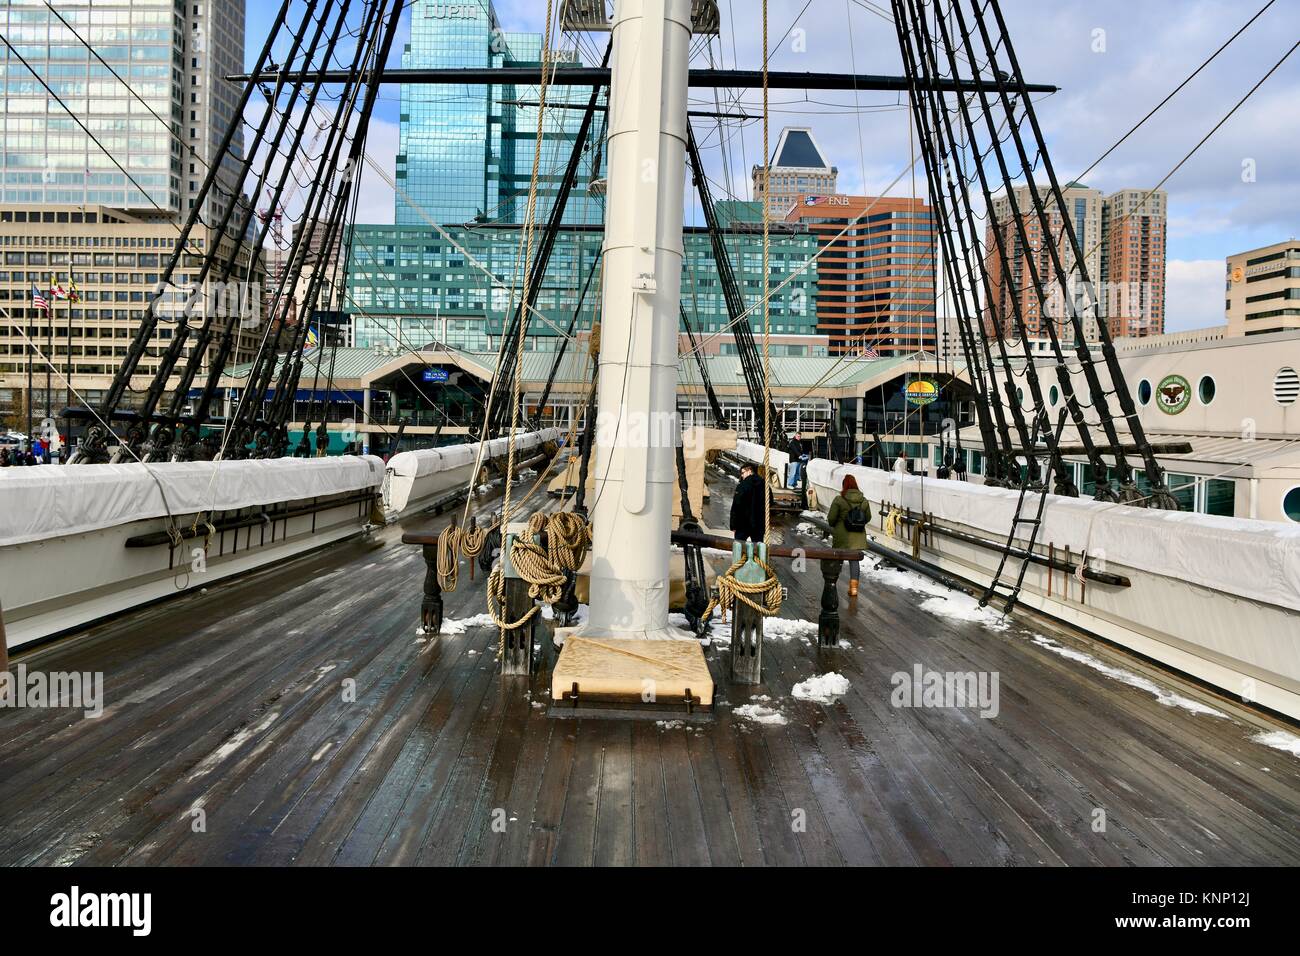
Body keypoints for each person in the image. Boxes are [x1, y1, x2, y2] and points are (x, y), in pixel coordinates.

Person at [827, 474, 871, 597]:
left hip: (842, 536)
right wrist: (857, 524)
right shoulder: (864, 501)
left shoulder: (839, 500)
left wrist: (836, 524)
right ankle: (854, 589)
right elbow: (868, 518)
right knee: (854, 561)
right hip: (858, 537)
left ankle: (832, 584)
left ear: (844, 485)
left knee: (837, 559)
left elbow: (831, 518)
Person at [730, 462, 768, 543]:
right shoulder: (764, 484)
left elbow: (736, 505)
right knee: (758, 549)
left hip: (743, 523)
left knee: (739, 548)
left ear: (749, 471)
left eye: (742, 473)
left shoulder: (742, 485)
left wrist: (733, 524)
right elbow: (770, 502)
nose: (742, 476)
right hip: (758, 524)